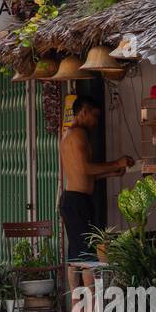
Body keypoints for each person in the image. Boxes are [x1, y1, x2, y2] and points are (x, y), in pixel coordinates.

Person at [58, 95, 133, 261]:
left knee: (76, 252)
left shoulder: (69, 134)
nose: (96, 121)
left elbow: (83, 173)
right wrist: (116, 163)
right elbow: (86, 168)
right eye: (95, 115)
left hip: (74, 199)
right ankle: (89, 288)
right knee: (86, 253)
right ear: (84, 112)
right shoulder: (78, 134)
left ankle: (78, 288)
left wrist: (110, 173)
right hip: (77, 200)